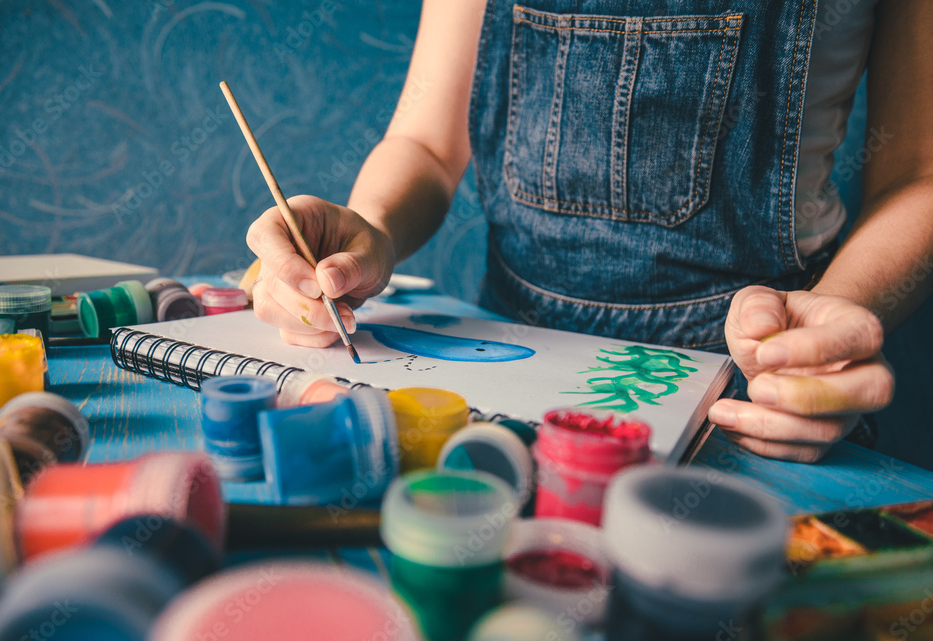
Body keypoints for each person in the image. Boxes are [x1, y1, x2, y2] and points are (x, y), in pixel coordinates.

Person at [246, 0, 932, 463]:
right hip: (500, 379)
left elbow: (916, 172)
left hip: (759, 394)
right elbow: (426, 142)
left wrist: (833, 319)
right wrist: (371, 231)